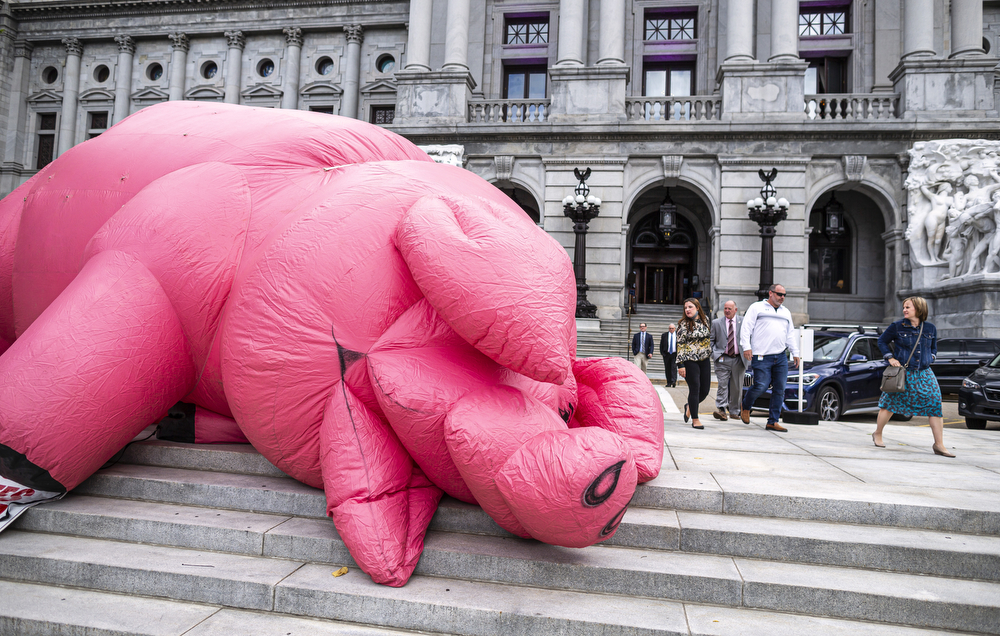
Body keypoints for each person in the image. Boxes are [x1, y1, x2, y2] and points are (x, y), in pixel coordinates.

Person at [872, 297, 954, 457]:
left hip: (924, 373)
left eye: (908, 307)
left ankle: (939, 444)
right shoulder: (897, 326)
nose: (904, 310)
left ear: (918, 308)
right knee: (889, 404)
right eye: (904, 307)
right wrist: (890, 357)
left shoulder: (930, 328)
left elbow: (934, 348)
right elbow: (881, 341)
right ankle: (878, 433)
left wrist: (932, 358)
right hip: (903, 372)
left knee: (935, 404)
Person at [739, 284, 800, 432]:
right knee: (761, 385)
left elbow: (790, 334)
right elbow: (746, 328)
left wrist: (795, 352)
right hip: (761, 355)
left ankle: (772, 421)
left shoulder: (786, 312)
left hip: (780, 356)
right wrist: (746, 346)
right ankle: (746, 405)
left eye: (784, 295)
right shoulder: (757, 307)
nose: (782, 297)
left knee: (780, 389)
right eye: (779, 294)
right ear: (771, 293)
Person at [676, 298, 711, 430]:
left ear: (697, 308)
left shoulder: (705, 320)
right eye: (685, 308)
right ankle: (695, 419)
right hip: (689, 360)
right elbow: (680, 345)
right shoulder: (683, 324)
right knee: (695, 388)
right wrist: (680, 365)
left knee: (705, 390)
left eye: (690, 307)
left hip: (705, 359)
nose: (687, 310)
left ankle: (689, 406)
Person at [710, 300, 745, 420]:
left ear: (735, 310)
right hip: (722, 358)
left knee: (737, 386)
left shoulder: (743, 322)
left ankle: (734, 411)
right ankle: (721, 409)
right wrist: (714, 354)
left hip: (738, 359)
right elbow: (711, 340)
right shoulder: (716, 323)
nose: (727, 311)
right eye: (725, 308)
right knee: (722, 385)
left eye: (729, 308)